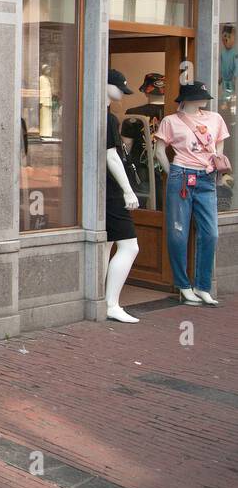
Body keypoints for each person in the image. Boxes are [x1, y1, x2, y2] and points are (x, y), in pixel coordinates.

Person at [154, 82, 226, 306]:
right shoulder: (170, 121)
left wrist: (214, 166)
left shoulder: (215, 119)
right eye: (199, 96)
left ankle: (202, 286)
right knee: (178, 233)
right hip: (182, 176)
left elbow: (219, 146)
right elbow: (159, 152)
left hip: (206, 178)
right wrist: (174, 174)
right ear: (187, 98)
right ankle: (183, 285)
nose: (204, 99)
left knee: (210, 233)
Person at [104, 69, 140, 323]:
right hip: (110, 190)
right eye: (119, 88)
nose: (121, 94)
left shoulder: (100, 114)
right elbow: (110, 155)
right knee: (129, 245)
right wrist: (128, 190)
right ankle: (111, 303)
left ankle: (104, 301)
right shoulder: (108, 119)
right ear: (106, 85)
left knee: (106, 245)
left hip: (100, 189)